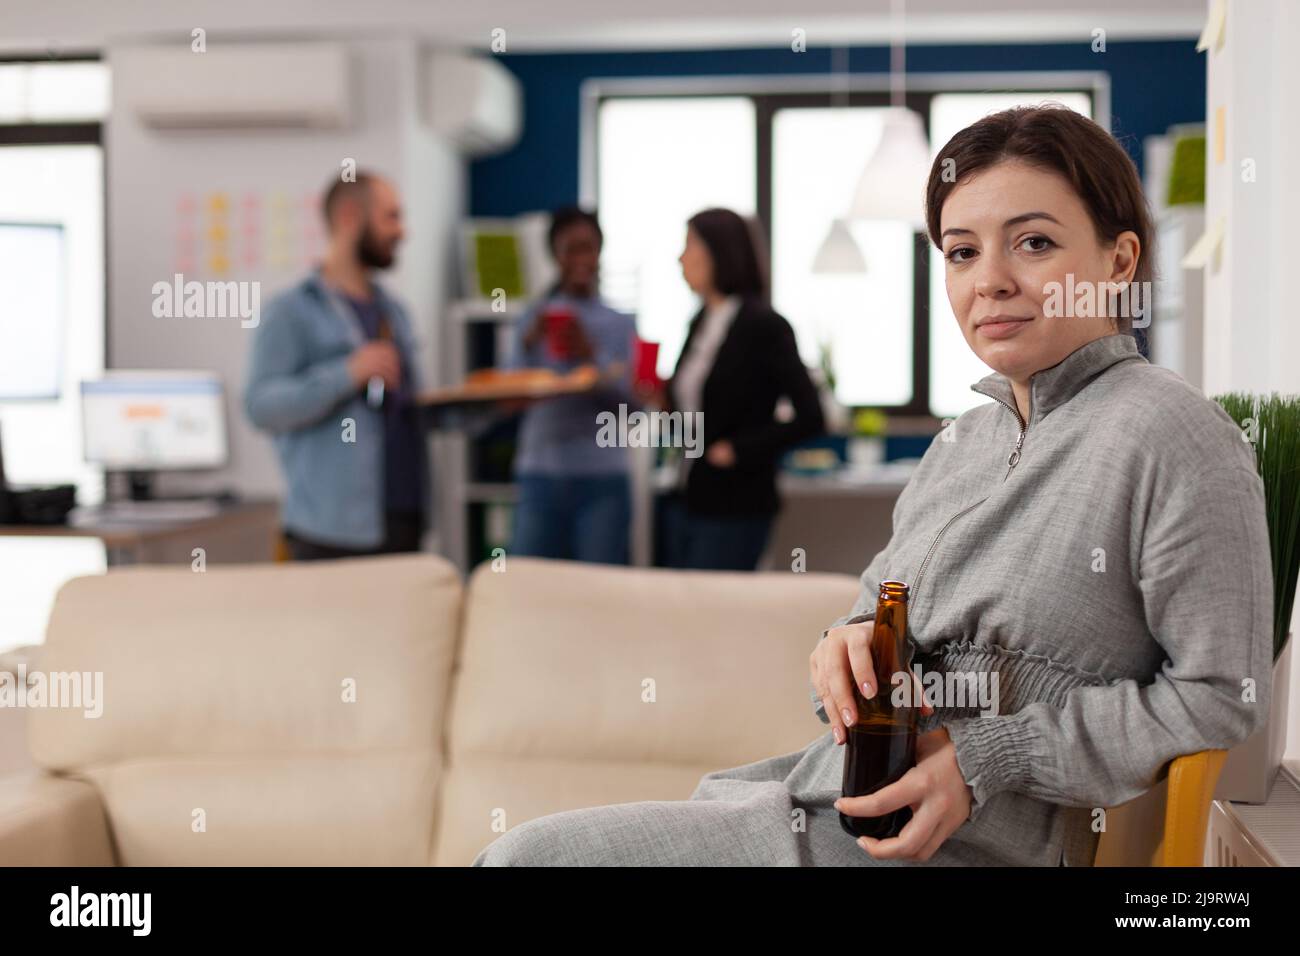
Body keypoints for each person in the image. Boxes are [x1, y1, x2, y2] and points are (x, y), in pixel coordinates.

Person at [473, 105, 1273, 866]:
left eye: (1031, 243)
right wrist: (842, 648)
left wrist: (982, 759)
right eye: (961, 251)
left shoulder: (1175, 434)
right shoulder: (962, 443)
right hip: (825, 803)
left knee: (523, 857)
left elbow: (1218, 695)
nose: (987, 280)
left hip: (965, 845)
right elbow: (869, 616)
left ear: (1120, 260)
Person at [245, 171, 429, 560]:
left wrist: (484, 408)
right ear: (349, 216)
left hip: (403, 519)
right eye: (391, 217)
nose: (402, 231)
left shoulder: (394, 312)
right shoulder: (292, 311)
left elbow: (409, 412)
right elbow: (261, 407)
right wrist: (347, 373)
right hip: (329, 531)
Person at [658, 208, 824, 571]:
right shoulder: (699, 321)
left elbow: (812, 417)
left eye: (690, 246)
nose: (681, 257)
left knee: (713, 618)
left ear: (719, 253)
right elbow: (696, 407)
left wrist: (737, 450)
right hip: (685, 494)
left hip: (735, 503)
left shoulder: (764, 325)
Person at [506, 206, 638, 564]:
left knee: (600, 595)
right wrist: (530, 346)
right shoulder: (532, 319)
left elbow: (635, 404)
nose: (582, 258)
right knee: (529, 588)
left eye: (589, 247)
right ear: (555, 255)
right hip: (540, 475)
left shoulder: (619, 323)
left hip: (603, 480)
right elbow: (508, 397)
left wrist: (590, 354)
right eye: (571, 249)